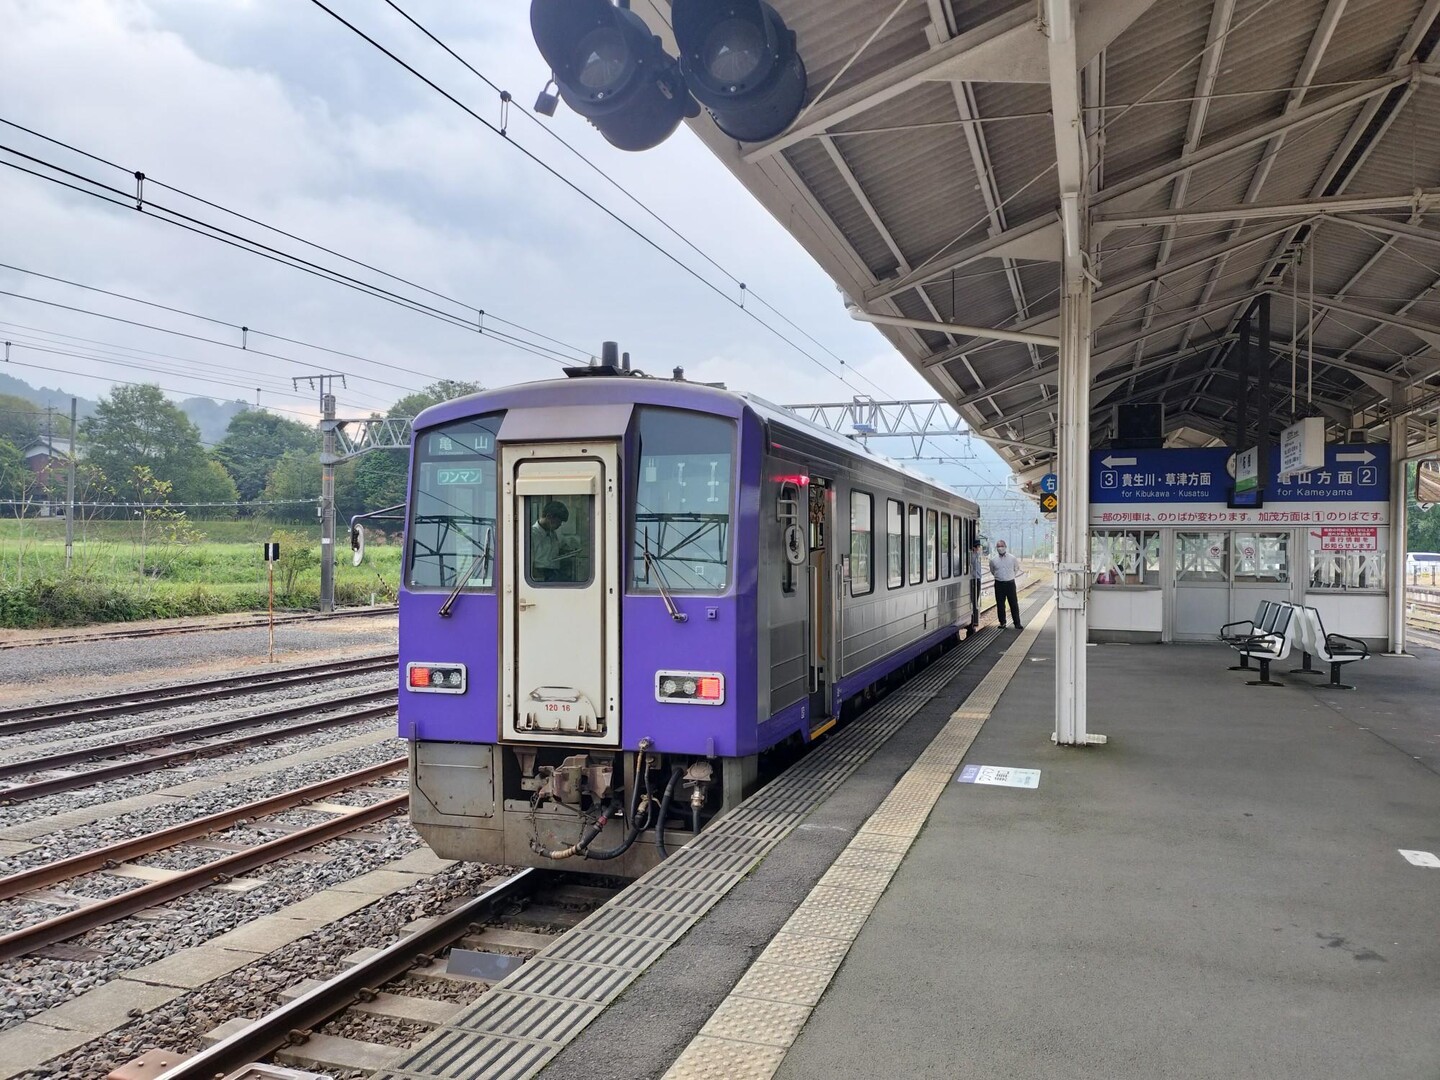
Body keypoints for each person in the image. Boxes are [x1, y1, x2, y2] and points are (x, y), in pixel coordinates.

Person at [530, 500, 579, 582]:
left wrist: (566, 553)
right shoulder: (532, 535)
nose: (560, 525)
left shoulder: (552, 533)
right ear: (549, 516)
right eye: (559, 521)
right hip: (540, 577)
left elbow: (551, 554)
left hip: (554, 572)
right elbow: (528, 566)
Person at [989, 539, 1022, 629]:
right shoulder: (993, 560)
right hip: (999, 583)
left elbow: (1016, 568)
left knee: (1013, 603)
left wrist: (1011, 576)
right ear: (996, 548)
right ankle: (1002, 622)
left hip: (1010, 583)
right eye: (998, 546)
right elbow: (992, 571)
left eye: (1002, 546)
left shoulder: (1012, 558)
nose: (1000, 548)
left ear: (1005, 547)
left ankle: (1017, 623)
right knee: (1000, 604)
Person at [968, 540, 984, 633]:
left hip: (978, 578)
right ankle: (973, 620)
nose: (979, 549)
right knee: (973, 600)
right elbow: (971, 563)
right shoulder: (973, 556)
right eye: (977, 547)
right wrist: (974, 553)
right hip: (973, 579)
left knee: (976, 599)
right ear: (974, 548)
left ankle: (975, 619)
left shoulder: (978, 556)